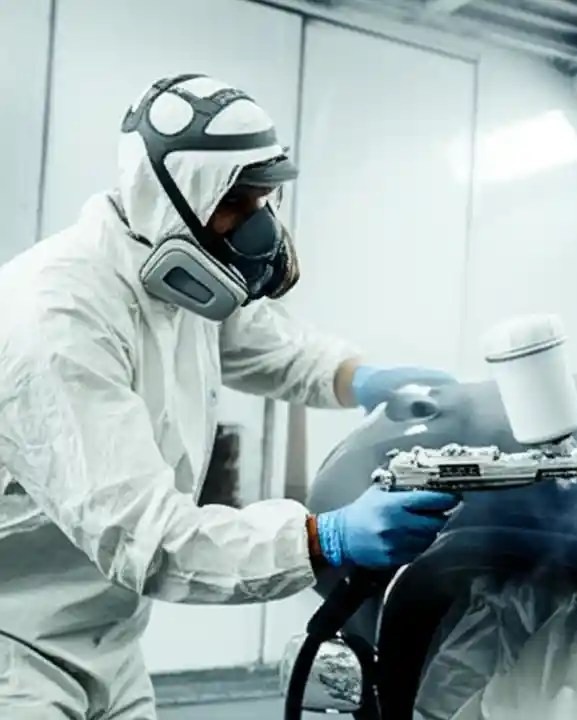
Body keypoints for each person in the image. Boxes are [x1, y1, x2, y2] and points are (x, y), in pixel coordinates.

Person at [0, 74, 460, 719]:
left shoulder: (176, 272)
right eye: (239, 204)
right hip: (14, 649)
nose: (259, 231)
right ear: (170, 197)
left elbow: (259, 340)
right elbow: (147, 537)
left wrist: (363, 379)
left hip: (108, 639)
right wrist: (323, 538)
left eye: (265, 202)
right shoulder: (56, 321)